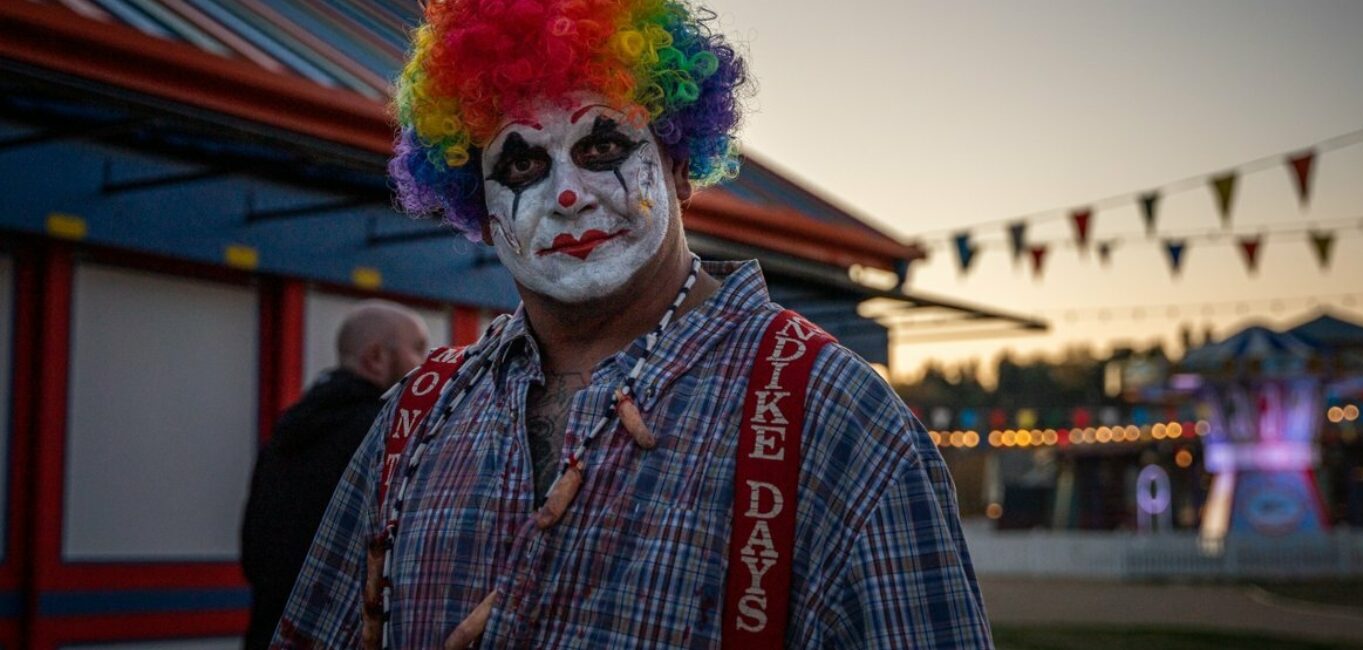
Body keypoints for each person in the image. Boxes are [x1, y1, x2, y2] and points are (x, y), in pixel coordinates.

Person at [274, 1, 992, 647]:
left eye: (603, 147)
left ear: (679, 167)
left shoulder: (837, 418)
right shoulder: (414, 419)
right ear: (481, 210)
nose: (565, 193)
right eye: (521, 162)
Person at [242, 300, 429, 650]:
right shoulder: (387, 435)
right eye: (419, 349)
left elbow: (255, 551)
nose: (428, 364)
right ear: (375, 358)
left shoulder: (290, 429)